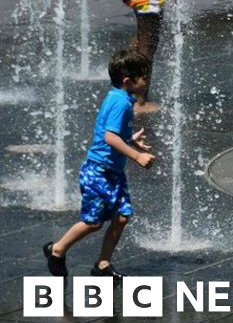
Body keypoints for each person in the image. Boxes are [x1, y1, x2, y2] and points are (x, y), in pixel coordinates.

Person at [43, 50, 155, 282]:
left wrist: (131, 138)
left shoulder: (121, 98)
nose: (147, 80)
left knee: (122, 216)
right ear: (128, 81)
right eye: (144, 76)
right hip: (98, 171)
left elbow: (115, 133)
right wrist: (137, 156)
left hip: (112, 172)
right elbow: (109, 138)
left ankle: (102, 264)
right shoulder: (120, 103)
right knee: (93, 222)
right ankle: (57, 249)